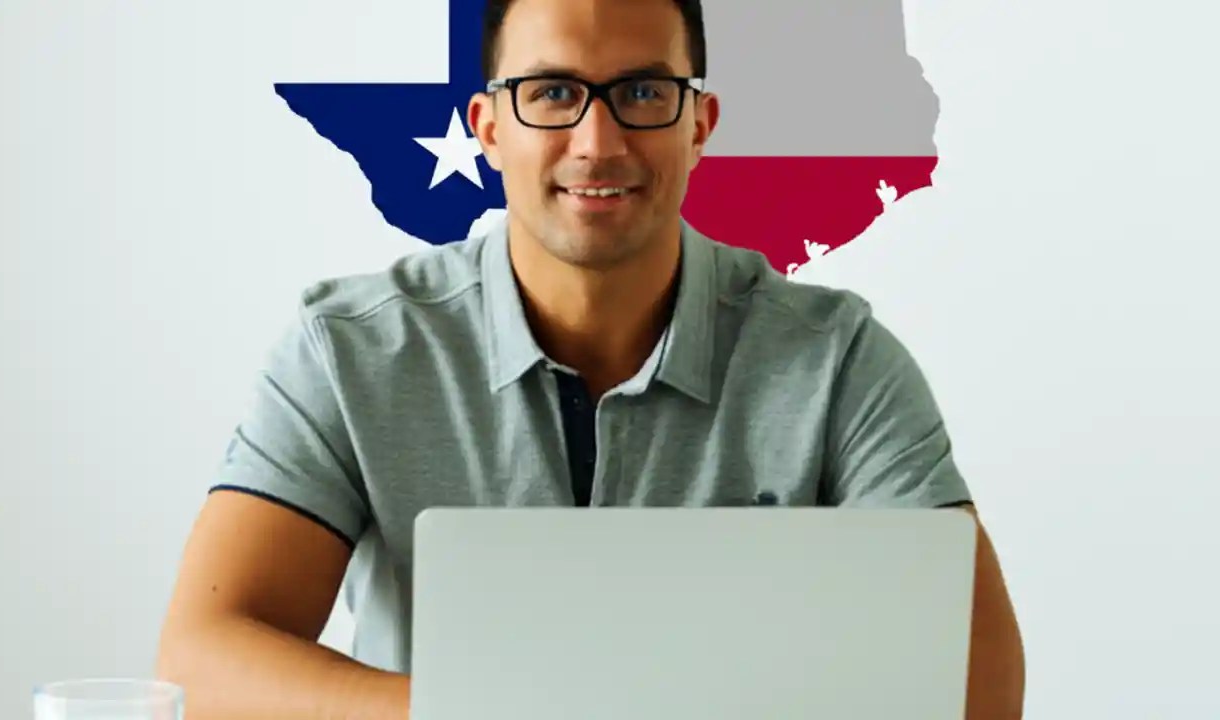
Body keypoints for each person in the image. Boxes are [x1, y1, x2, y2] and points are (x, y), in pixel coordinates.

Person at [155, 0, 1026, 718]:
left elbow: (979, 683)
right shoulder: (349, 351)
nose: (599, 141)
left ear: (701, 124)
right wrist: (474, 715)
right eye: (552, 92)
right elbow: (203, 657)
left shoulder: (840, 360)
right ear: (488, 128)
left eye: (644, 91)